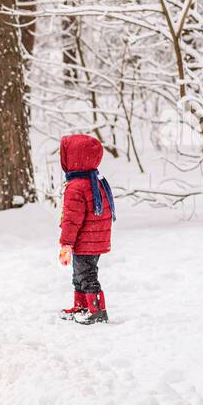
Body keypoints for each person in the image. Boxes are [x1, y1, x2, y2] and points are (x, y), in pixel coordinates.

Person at [57, 134, 115, 324]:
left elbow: (71, 220)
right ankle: (81, 306)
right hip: (92, 239)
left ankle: (97, 310)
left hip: (85, 240)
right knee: (79, 275)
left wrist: (66, 243)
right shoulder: (95, 180)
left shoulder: (76, 187)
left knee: (87, 275)